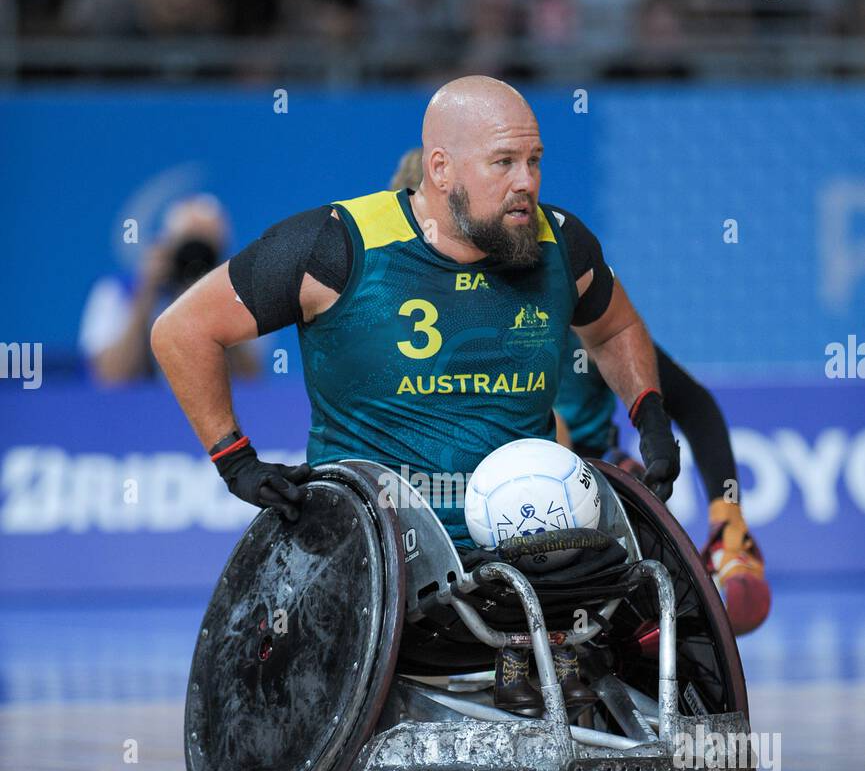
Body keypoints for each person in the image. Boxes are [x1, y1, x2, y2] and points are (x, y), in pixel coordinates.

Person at [151, 76, 680, 714]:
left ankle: (556, 664)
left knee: (626, 547)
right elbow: (182, 330)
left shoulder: (561, 243)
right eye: (504, 163)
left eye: (535, 161)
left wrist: (649, 416)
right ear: (441, 168)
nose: (527, 182)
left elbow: (615, 327)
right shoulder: (338, 245)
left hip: (531, 543)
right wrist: (235, 461)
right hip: (380, 553)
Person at [388, 146, 770, 638]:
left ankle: (656, 630)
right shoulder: (411, 329)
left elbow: (690, 402)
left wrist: (726, 515)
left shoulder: (560, 303)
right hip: (464, 502)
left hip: (587, 490)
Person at [80, 195, 258, 383]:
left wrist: (221, 299)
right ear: (165, 246)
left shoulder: (243, 298)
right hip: (135, 411)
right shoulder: (114, 292)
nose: (196, 259)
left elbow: (250, 382)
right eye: (188, 247)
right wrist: (146, 292)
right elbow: (111, 378)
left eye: (205, 250)